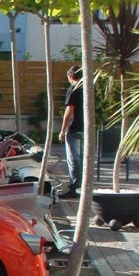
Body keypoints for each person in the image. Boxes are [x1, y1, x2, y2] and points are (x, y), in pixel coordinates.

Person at [58, 65, 84, 198]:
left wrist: (62, 130)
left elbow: (69, 110)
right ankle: (83, 187)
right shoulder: (87, 89)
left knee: (73, 160)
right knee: (83, 159)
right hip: (86, 128)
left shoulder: (73, 89)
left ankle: (75, 188)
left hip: (74, 128)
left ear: (70, 76)